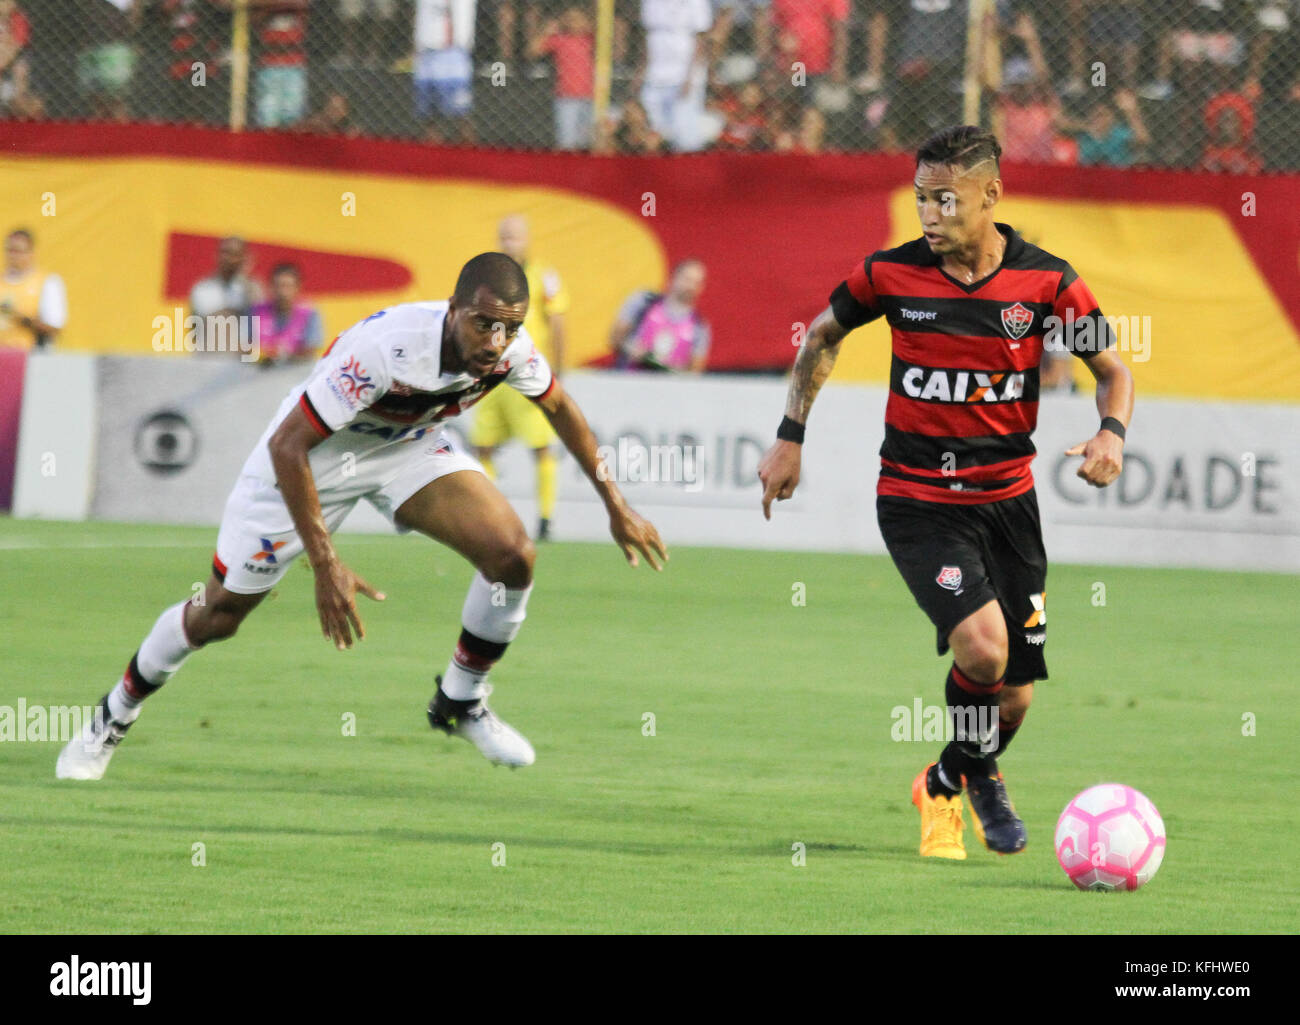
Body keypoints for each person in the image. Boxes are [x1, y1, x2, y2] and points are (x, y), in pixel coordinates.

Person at [56, 253, 666, 782]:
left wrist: (616, 503)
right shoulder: (387, 350)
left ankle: (460, 701)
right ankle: (112, 716)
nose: (495, 342)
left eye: (508, 329)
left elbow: (559, 406)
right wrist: (326, 563)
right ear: (452, 309)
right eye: (483, 324)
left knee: (512, 555)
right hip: (311, 459)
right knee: (219, 614)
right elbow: (289, 445)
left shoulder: (510, 351)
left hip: (403, 450)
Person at [757, 126, 1134, 861]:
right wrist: (789, 432)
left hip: (1008, 502)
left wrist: (1110, 432)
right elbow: (821, 337)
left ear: (991, 195)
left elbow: (1113, 369)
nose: (929, 215)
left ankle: (952, 774)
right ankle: (971, 782)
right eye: (922, 198)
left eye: (946, 199)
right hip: (918, 498)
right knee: (985, 651)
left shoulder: (1047, 283)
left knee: (1016, 695)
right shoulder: (889, 275)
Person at [468, 215, 569, 541]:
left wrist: (558, 369)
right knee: (483, 446)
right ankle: (491, 517)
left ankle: (545, 519)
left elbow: (557, 321)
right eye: (505, 237)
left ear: (527, 239)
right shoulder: (484, 279)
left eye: (515, 237)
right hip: (490, 373)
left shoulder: (544, 276)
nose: (510, 242)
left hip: (526, 371)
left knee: (541, 446)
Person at [637, 0, 713, 152]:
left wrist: (690, 77)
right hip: (654, 73)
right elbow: (646, 36)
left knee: (684, 135)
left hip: (683, 74)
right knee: (654, 130)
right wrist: (641, 71)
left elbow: (701, 39)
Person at [611, 259, 709, 373]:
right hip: (629, 380)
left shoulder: (699, 326)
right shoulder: (644, 301)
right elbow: (614, 339)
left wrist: (675, 369)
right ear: (673, 278)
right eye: (687, 279)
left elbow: (695, 372)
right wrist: (632, 350)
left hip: (667, 388)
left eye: (697, 282)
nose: (691, 286)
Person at [528, 4, 596, 150]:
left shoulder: (590, 39)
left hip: (589, 97)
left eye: (578, 19)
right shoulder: (559, 40)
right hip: (566, 97)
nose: (573, 23)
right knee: (566, 142)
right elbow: (532, 50)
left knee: (587, 142)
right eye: (569, 19)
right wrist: (546, 31)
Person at [188, 236, 264, 354]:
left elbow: (260, 324)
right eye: (226, 252)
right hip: (209, 359)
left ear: (243, 258)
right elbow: (196, 328)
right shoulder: (202, 289)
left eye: (235, 254)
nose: (229, 259)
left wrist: (245, 278)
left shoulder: (252, 288)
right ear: (217, 255)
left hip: (241, 364)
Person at [0, 229, 67, 350]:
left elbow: (54, 328)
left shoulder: (47, 282)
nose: (13, 255)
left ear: (31, 253)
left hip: (29, 358)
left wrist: (19, 317)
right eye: (10, 250)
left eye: (18, 251)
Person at [250, 263, 323, 364]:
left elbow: (310, 351)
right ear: (270, 287)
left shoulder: (310, 314)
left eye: (287, 286)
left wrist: (282, 355)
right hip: (257, 372)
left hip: (294, 373)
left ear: (298, 287)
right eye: (278, 286)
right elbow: (243, 346)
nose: (282, 292)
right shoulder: (255, 311)